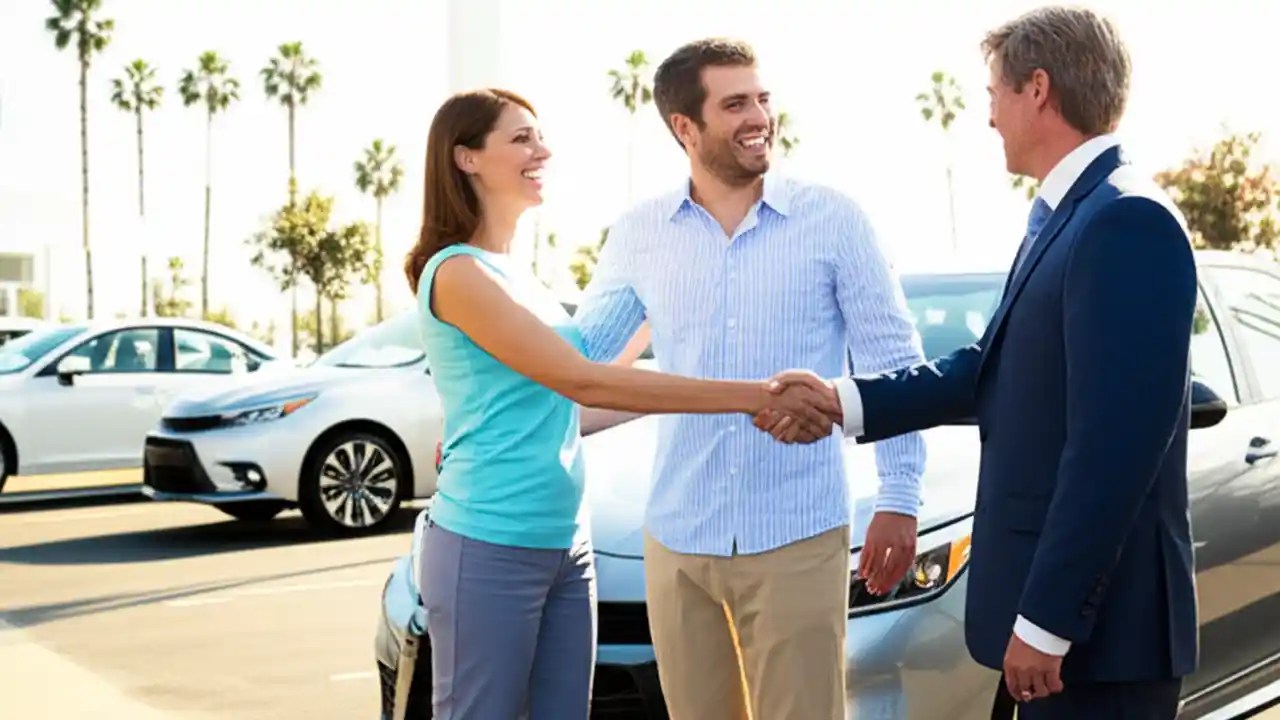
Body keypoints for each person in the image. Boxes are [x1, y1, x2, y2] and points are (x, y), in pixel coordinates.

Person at [764, 7, 1198, 719]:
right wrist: (843, 401)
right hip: (1065, 635)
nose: (988, 115)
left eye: (992, 93)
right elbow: (993, 369)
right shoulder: (1067, 215)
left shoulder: (1126, 220)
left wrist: (1048, 621)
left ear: (1037, 88)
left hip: (1102, 639)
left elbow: (1112, 452)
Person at [406, 88, 832, 720]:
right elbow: (586, 381)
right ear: (465, 158)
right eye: (521, 138)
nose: (542, 150)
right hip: (488, 542)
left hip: (566, 544)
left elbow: (575, 409)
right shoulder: (456, 274)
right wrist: (757, 396)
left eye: (538, 135)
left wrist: (674, 292)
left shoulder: (519, 276)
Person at [573, 39, 928, 720]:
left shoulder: (834, 219)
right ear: (685, 126)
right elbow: (582, 355)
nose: (758, 115)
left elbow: (893, 361)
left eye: (762, 98)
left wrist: (900, 496)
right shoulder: (640, 232)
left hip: (796, 530)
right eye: (734, 103)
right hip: (678, 536)